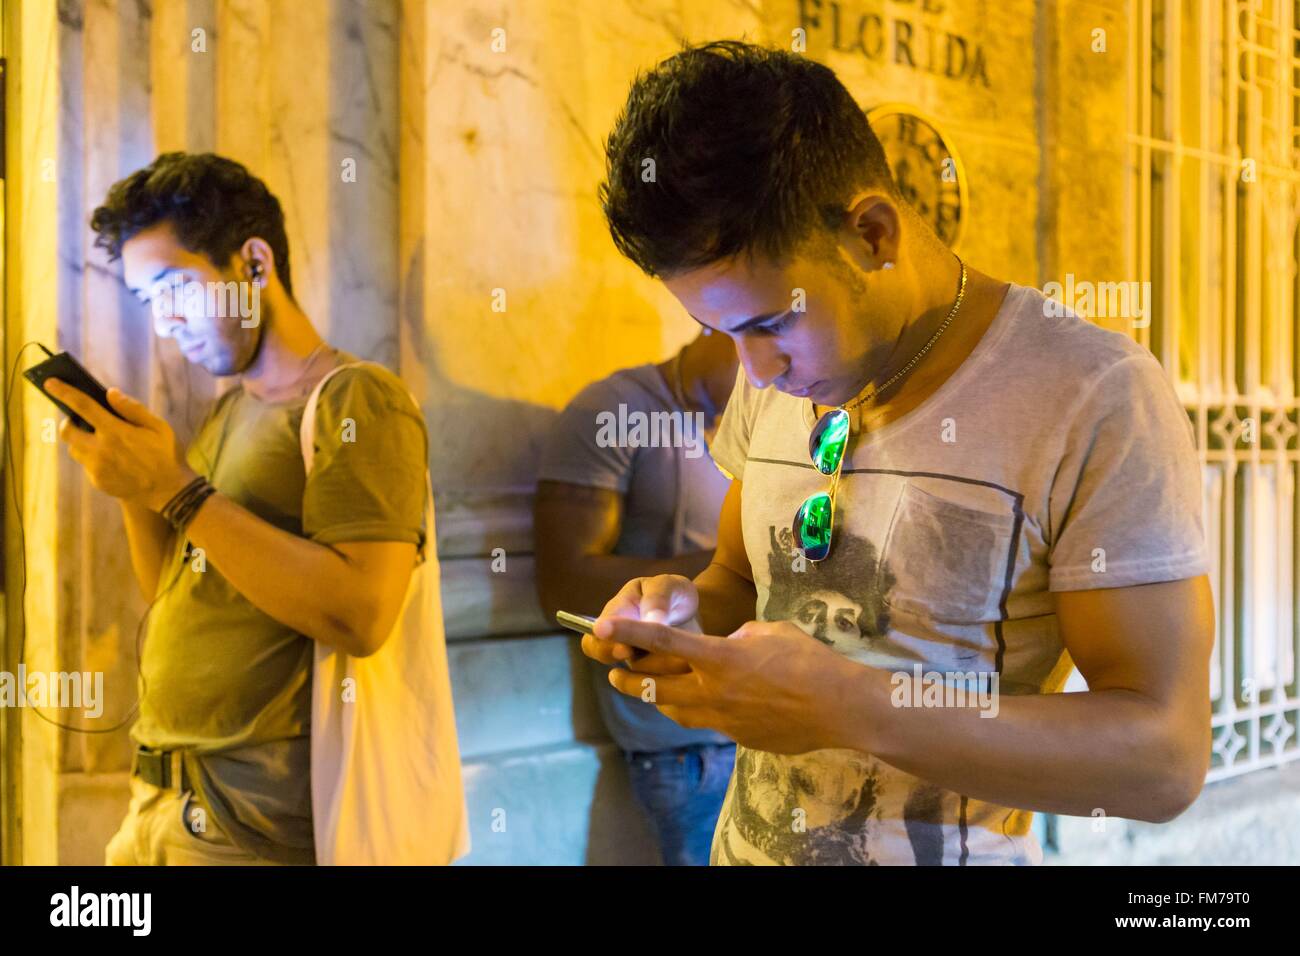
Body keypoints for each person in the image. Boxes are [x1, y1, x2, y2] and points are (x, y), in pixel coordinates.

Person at [583, 41, 1215, 865]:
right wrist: (678, 620)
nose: (755, 369)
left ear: (872, 233)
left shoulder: (1092, 394)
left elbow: (1164, 760)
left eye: (771, 324)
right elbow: (740, 581)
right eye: (723, 332)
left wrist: (855, 707)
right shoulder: (771, 376)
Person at [53, 152, 436, 865]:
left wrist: (173, 486)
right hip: (161, 797)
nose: (165, 324)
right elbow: (177, 593)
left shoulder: (359, 399)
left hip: (245, 822)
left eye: (175, 288)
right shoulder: (231, 411)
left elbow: (362, 612)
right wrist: (142, 488)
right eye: (148, 302)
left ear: (253, 263)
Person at [534, 329, 739, 865]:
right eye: (757, 330)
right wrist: (735, 564)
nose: (773, 371)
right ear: (712, 319)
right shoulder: (615, 409)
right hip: (686, 752)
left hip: (769, 726)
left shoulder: (771, 416)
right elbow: (562, 585)